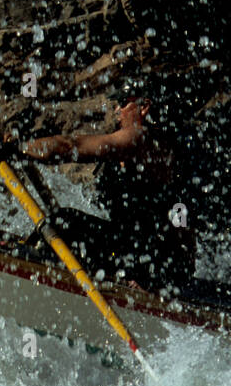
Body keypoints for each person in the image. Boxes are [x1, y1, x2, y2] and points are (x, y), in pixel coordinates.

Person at [15, 97, 194, 292]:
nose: (117, 110)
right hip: (136, 250)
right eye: (116, 105)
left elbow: (71, 147)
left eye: (124, 104)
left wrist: (21, 147)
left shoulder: (142, 139)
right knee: (65, 223)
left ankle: (25, 266)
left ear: (144, 108)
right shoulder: (136, 145)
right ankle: (30, 253)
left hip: (157, 264)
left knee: (64, 222)